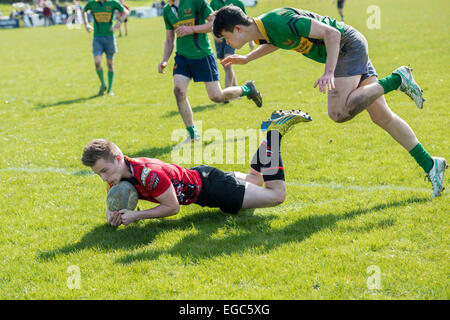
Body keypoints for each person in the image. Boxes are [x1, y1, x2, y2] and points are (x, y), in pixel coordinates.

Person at [212, 5, 447, 198]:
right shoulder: (266, 28)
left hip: (346, 47)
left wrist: (329, 72)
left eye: (225, 37)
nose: (226, 42)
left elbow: (332, 34)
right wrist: (246, 58)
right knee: (382, 116)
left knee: (339, 112)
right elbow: (278, 41)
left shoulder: (276, 20)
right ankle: (430, 164)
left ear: (237, 29)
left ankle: (397, 80)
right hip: (350, 48)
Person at [81, 110, 312, 226]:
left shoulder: (147, 174)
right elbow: (115, 203)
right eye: (99, 173)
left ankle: (273, 135)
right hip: (203, 177)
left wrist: (137, 216)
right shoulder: (116, 177)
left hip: (214, 189)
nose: (104, 179)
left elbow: (172, 208)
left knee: (276, 195)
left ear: (119, 158)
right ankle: (266, 142)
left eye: (104, 171)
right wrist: (112, 215)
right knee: (255, 180)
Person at [159, 0, 263, 143]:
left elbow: (213, 24)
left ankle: (247, 89)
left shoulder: (195, 2)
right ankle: (192, 133)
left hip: (202, 56)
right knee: (179, 91)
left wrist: (191, 29)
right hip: (182, 56)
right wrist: (164, 59)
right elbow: (170, 39)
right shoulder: (167, 10)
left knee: (216, 96)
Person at [82, 0, 129, 96]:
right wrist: (86, 24)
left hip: (109, 37)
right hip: (97, 38)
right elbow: (83, 11)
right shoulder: (92, 3)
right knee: (97, 62)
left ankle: (110, 89)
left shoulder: (112, 3)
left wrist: (119, 21)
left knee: (110, 64)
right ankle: (103, 84)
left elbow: (126, 11)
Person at [210, 0, 255, 89]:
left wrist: (251, 40)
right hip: (219, 38)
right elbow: (211, 20)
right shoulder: (213, 2)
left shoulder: (238, 2)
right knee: (225, 64)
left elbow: (246, 21)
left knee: (228, 63)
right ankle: (235, 88)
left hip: (232, 36)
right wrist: (214, 35)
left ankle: (227, 93)